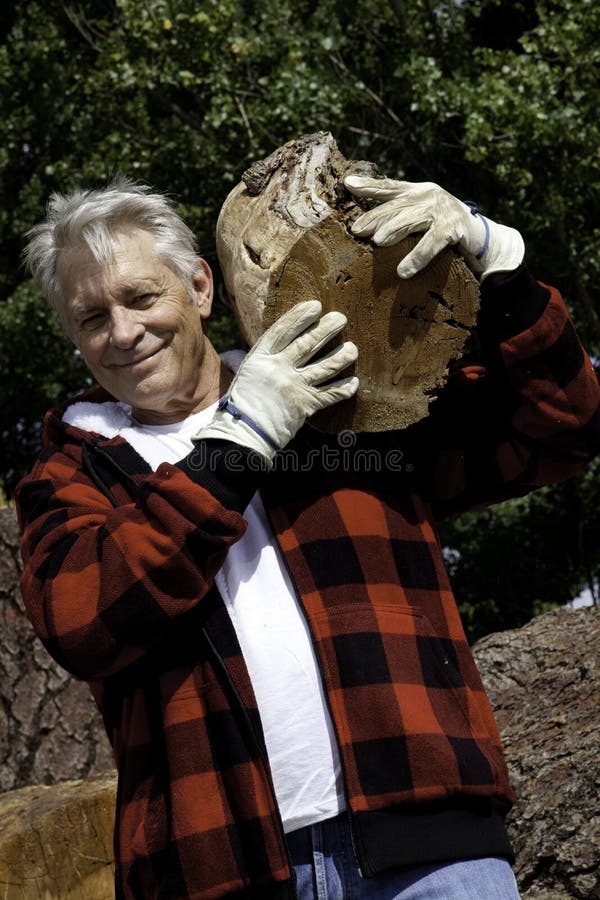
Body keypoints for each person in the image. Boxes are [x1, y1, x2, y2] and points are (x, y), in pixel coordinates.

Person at [16, 174, 599, 900]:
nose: (124, 332)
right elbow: (85, 624)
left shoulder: (340, 404)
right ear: (74, 336)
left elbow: (559, 430)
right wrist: (242, 437)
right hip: (214, 868)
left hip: (426, 840)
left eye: (141, 298)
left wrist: (497, 259)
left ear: (199, 288)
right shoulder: (70, 470)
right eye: (92, 317)